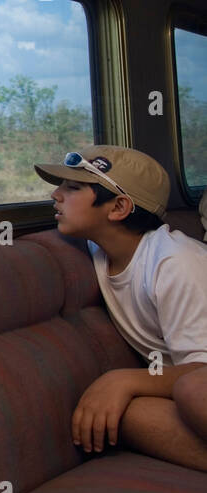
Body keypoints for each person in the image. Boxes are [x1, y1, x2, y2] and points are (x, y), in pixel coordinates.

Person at [35, 145, 207, 472]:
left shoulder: (175, 263)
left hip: (198, 384)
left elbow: (201, 373)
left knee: (192, 388)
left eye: (72, 188)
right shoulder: (99, 250)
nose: (55, 194)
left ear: (118, 207)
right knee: (128, 416)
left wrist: (123, 380)